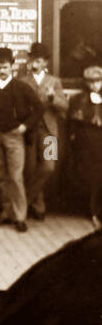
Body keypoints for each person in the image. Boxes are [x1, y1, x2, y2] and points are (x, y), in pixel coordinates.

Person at [0, 46, 41, 232]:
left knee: (16, 176)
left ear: (12, 67)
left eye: (5, 67)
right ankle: (5, 212)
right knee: (0, 176)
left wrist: (25, 126)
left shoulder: (21, 87)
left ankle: (20, 217)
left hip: (15, 137)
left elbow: (38, 108)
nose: (2, 71)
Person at [20, 41, 68, 221]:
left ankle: (24, 202)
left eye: (39, 60)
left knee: (49, 167)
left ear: (45, 63)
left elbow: (64, 106)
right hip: (30, 132)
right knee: (30, 169)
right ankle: (38, 206)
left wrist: (53, 97)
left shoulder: (54, 82)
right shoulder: (23, 81)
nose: (35, 63)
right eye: (33, 59)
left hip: (49, 132)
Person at [68, 65, 102, 223]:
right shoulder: (79, 99)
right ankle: (92, 210)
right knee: (91, 175)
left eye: (97, 82)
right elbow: (74, 121)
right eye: (91, 82)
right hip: (88, 141)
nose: (94, 85)